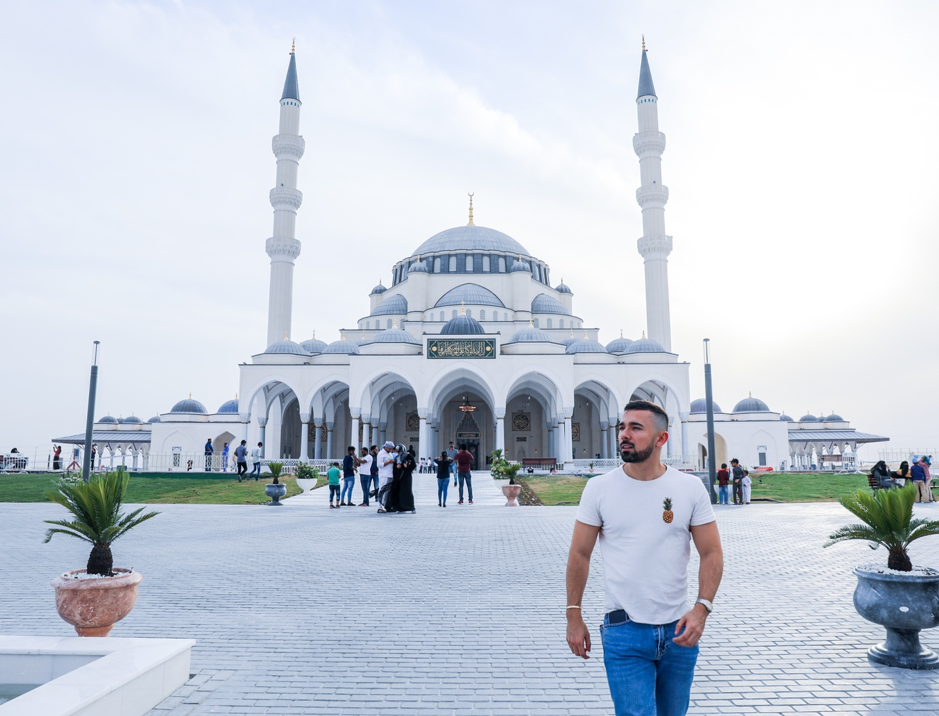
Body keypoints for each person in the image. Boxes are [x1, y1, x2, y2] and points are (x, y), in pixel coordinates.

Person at [566, 400, 723, 716]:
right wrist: (574, 615)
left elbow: (712, 553)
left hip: (680, 632)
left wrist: (701, 609)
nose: (624, 434)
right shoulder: (599, 489)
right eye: (622, 427)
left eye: (636, 428)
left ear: (661, 439)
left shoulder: (689, 488)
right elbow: (579, 555)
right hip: (624, 630)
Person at [388, 445, 416, 513]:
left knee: (407, 491)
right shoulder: (397, 457)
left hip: (406, 477)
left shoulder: (408, 456)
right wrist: (397, 467)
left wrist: (406, 467)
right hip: (398, 477)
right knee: (399, 491)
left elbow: (413, 465)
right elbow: (395, 467)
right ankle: (400, 507)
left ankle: (411, 507)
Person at [376, 441, 396, 513]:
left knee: (387, 492)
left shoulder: (389, 453)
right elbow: (379, 465)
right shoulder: (381, 454)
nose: (391, 450)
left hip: (390, 475)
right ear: (386, 447)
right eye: (390, 448)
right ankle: (379, 507)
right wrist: (389, 462)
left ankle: (386, 506)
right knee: (382, 491)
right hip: (384, 475)